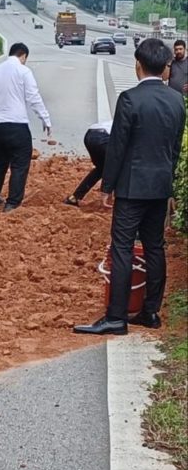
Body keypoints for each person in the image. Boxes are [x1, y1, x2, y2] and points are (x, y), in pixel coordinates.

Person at [74, 39, 185, 335]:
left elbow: (118, 148)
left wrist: (106, 188)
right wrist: (170, 186)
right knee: (155, 248)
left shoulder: (130, 99)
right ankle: (150, 313)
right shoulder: (177, 100)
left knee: (122, 249)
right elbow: (174, 149)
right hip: (160, 186)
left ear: (138, 65)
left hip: (132, 188)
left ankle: (116, 317)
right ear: (165, 68)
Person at [0, 42, 52, 212]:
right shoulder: (23, 71)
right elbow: (33, 97)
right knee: (20, 163)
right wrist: (45, 119)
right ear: (23, 56)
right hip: (16, 125)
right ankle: (12, 203)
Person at [64, 118, 112, 206]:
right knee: (118, 167)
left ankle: (75, 198)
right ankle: (109, 199)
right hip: (103, 137)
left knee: (100, 169)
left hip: (89, 134)